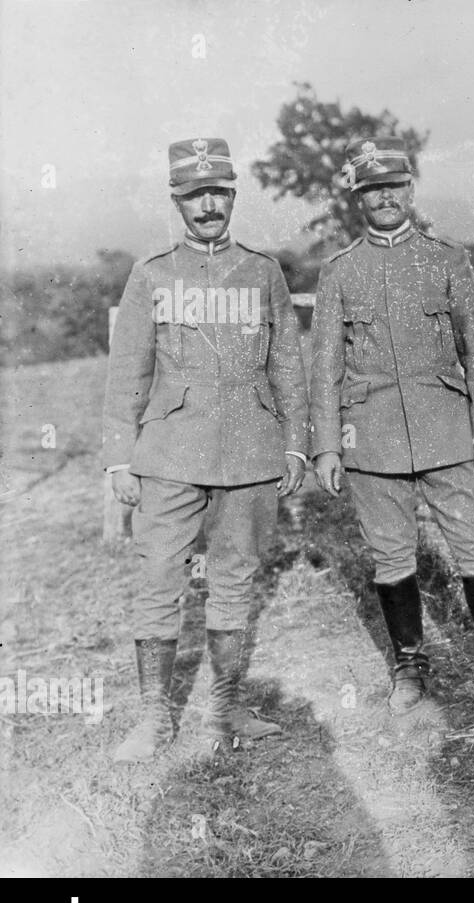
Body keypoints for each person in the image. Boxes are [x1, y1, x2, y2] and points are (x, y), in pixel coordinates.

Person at [310, 136, 474, 715]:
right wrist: (324, 446)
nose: (385, 198)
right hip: (370, 436)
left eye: (394, 186)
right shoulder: (340, 271)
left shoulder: (446, 259)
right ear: (357, 197)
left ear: (410, 188)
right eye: (372, 189)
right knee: (391, 555)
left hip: (446, 428)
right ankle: (410, 666)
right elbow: (324, 369)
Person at [102, 137, 309, 760]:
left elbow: (288, 368)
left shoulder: (262, 270)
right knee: (159, 578)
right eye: (195, 195)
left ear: (234, 195)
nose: (208, 205)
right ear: (177, 201)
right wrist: (120, 457)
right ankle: (153, 721)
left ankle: (224, 710)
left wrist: (296, 448)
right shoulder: (153, 274)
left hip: (250, 450)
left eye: (218, 191)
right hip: (168, 453)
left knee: (236, 578)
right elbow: (127, 373)